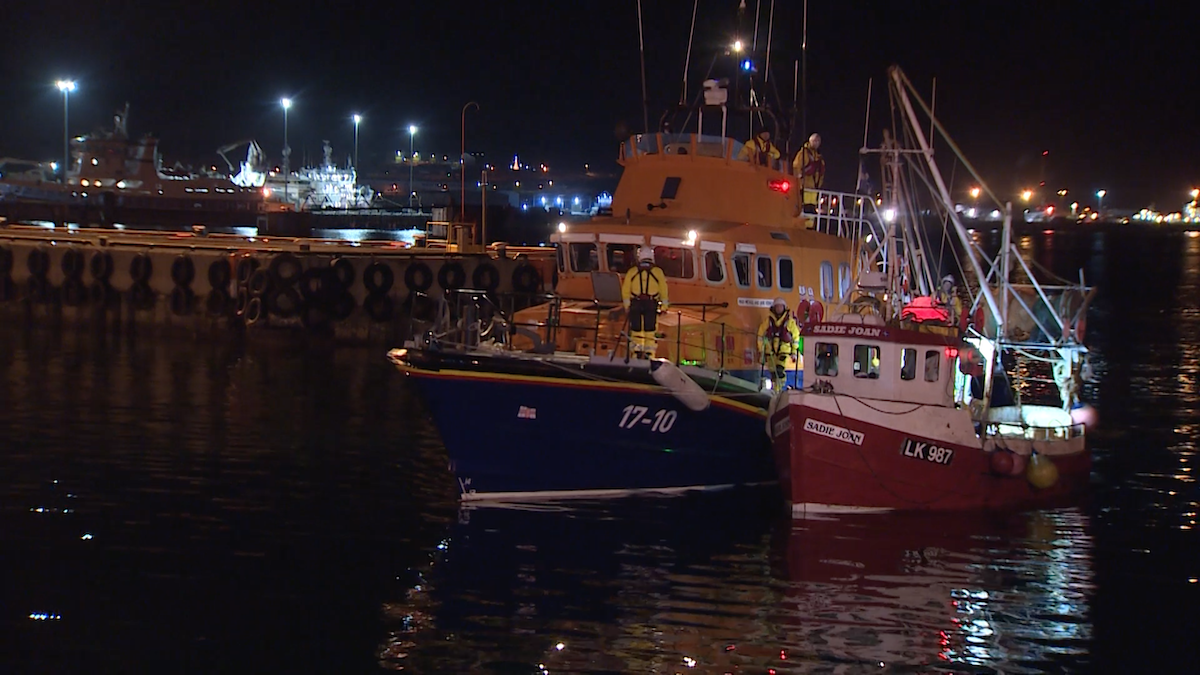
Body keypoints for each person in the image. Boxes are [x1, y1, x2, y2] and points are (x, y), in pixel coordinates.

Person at [621, 246, 669, 359]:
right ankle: (649, 354)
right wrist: (664, 307)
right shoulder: (658, 272)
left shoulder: (632, 271)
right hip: (651, 304)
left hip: (635, 304)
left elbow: (625, 290)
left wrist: (627, 306)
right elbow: (663, 290)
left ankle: (636, 353)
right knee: (650, 330)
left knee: (636, 330)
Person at [758, 297, 801, 394]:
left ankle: (778, 391)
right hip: (770, 352)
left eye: (781, 306)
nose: (779, 308)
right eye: (777, 306)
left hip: (783, 351)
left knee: (780, 371)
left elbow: (796, 337)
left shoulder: (790, 322)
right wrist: (761, 351)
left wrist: (794, 352)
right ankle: (774, 391)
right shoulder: (767, 322)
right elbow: (760, 335)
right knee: (773, 373)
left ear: (784, 307)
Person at [792, 133, 825, 212]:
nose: (816, 143)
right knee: (804, 208)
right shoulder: (803, 153)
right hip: (804, 186)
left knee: (812, 210)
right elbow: (796, 166)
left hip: (814, 188)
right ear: (810, 141)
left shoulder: (819, 157)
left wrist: (819, 184)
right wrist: (799, 178)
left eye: (818, 141)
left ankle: (810, 221)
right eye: (815, 141)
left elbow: (821, 172)